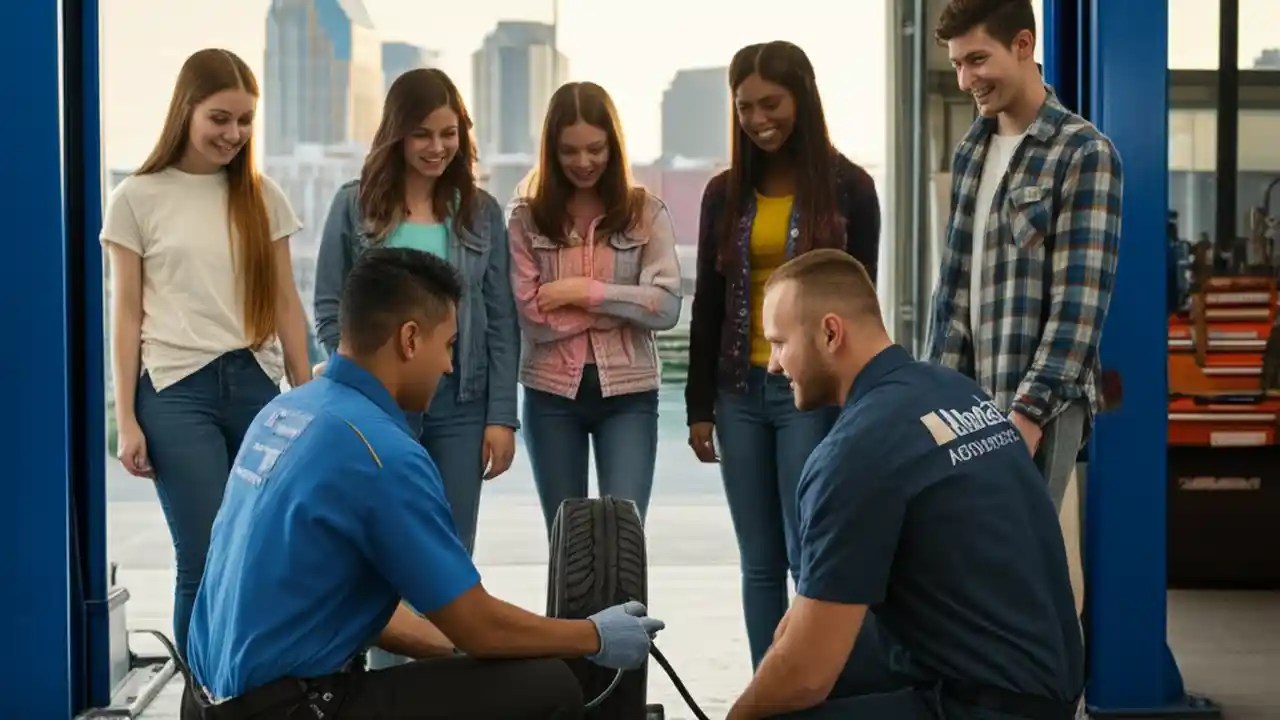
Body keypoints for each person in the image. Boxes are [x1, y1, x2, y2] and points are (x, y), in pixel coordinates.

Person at [182, 247, 665, 720]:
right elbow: (480, 627)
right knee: (547, 686)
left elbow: (370, 610)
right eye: (449, 344)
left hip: (204, 701)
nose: (449, 366)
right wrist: (593, 635)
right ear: (410, 339)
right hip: (287, 710)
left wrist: (460, 647)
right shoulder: (379, 452)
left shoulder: (289, 411)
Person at [726, 249, 1084, 719]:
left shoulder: (854, 452)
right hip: (1049, 678)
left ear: (831, 333)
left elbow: (805, 676)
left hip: (990, 706)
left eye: (779, 342)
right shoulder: (952, 390)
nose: (773, 365)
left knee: (780, 700)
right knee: (798, 645)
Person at [101, 48, 310, 658]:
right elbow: (127, 315)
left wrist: (307, 395)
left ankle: (253, 688)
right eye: (220, 118)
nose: (234, 134)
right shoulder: (136, 197)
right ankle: (204, 698)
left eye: (245, 121)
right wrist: (128, 420)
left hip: (255, 387)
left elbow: (285, 304)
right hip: (174, 393)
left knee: (262, 553)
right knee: (203, 554)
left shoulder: (261, 195)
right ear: (186, 109)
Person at [684, 40, 882, 669]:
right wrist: (699, 407)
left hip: (812, 395)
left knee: (808, 553)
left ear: (802, 97)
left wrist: (860, 404)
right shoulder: (723, 193)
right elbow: (708, 305)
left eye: (770, 103)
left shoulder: (851, 188)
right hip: (738, 392)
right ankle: (767, 687)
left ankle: (813, 686)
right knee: (760, 562)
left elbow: (862, 308)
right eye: (744, 107)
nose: (757, 118)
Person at [314, 67, 520, 561]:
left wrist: (501, 418)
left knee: (448, 551)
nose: (437, 147)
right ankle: (389, 643)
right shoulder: (353, 205)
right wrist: (357, 377)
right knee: (380, 549)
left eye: (448, 134)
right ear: (397, 135)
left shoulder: (481, 212)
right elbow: (328, 306)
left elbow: (501, 321)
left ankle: (445, 643)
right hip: (377, 408)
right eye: (422, 134)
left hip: (460, 404)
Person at [925, 0, 1123, 511]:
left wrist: (1027, 417)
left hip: (1040, 405)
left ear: (1023, 45)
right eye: (957, 65)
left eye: (977, 59)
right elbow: (954, 289)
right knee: (966, 562)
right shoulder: (971, 150)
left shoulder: (1084, 153)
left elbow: (1080, 308)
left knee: (1016, 565)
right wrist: (931, 400)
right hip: (966, 402)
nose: (966, 78)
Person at [508, 81, 682, 534]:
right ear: (551, 150)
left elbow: (665, 309)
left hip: (628, 395)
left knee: (624, 537)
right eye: (569, 151)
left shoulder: (647, 212)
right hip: (550, 397)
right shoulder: (525, 218)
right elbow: (533, 318)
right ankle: (570, 612)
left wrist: (584, 291)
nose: (584, 162)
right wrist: (627, 305)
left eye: (595, 149)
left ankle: (623, 611)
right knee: (567, 542)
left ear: (614, 146)